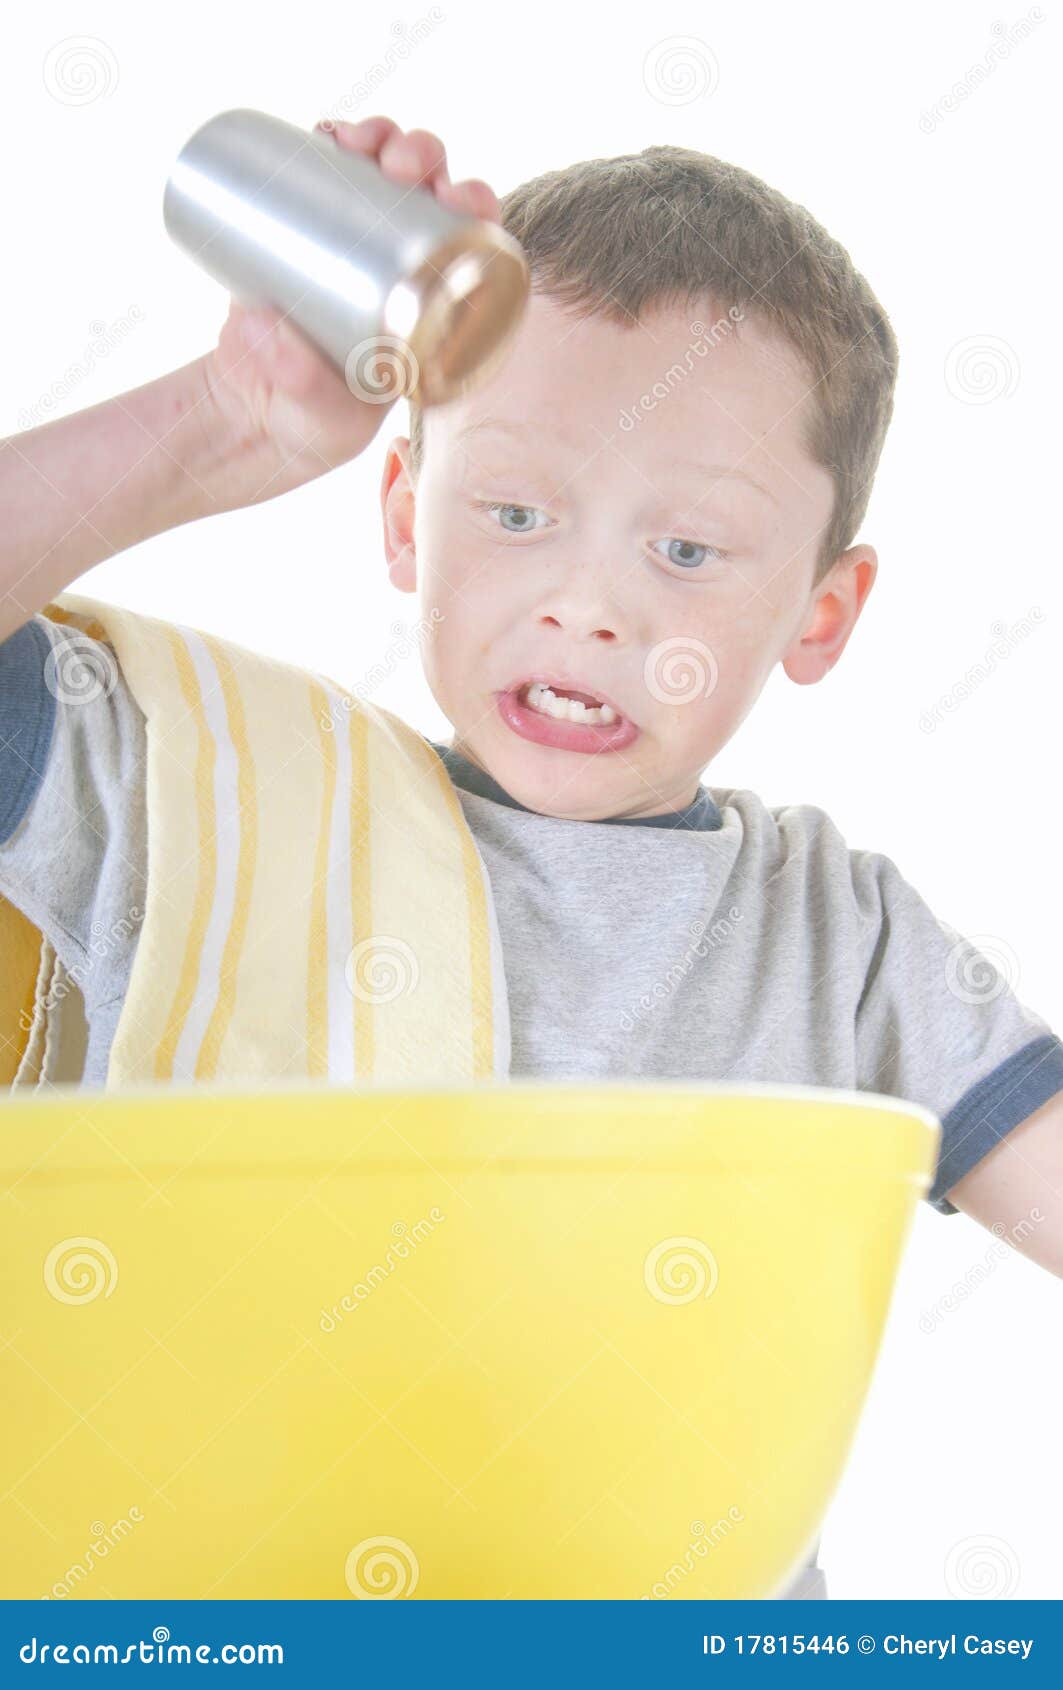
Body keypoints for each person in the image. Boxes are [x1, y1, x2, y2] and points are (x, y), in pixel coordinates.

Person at [2, 118, 1061, 1605]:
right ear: (403, 516)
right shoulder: (203, 796)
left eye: (686, 550)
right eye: (513, 514)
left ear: (820, 614)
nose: (586, 605)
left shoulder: (841, 937)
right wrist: (224, 422)